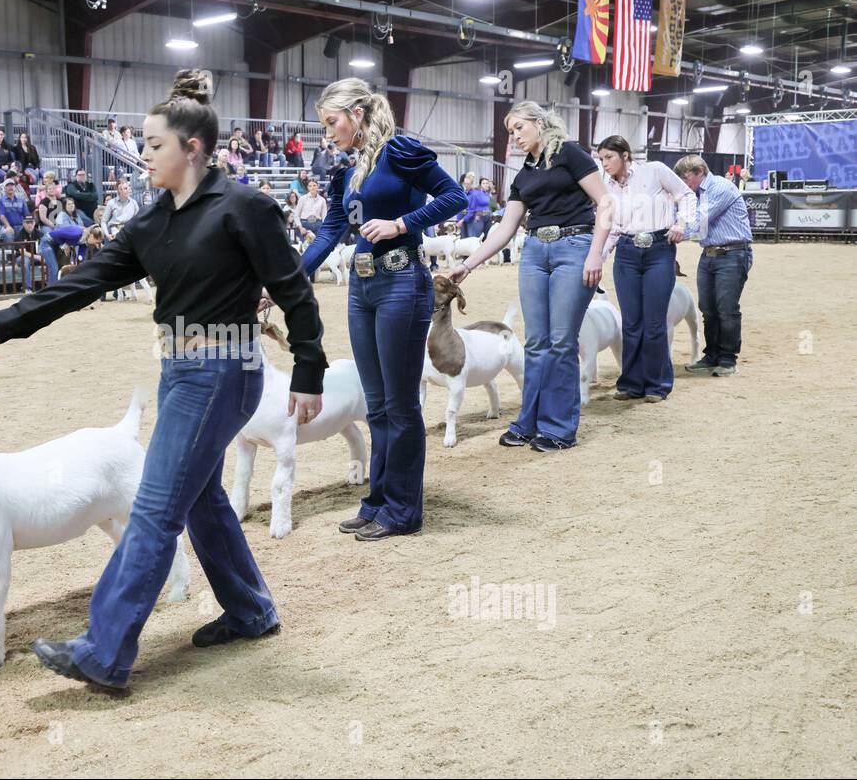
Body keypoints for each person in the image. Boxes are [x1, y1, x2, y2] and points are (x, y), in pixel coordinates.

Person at [0, 68, 329, 691]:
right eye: (144, 144)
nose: (143, 153)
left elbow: (294, 292)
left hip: (227, 372)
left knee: (153, 507)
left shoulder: (245, 208)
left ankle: (104, 650)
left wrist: (308, 370)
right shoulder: (151, 223)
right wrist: (3, 322)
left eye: (155, 145)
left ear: (194, 149)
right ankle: (251, 610)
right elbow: (85, 281)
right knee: (199, 497)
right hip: (178, 372)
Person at [293, 77, 466, 540]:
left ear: (357, 114)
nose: (328, 133)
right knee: (377, 405)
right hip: (362, 289)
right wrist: (288, 280)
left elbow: (454, 196)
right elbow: (332, 231)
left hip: (402, 282)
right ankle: (378, 501)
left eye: (331, 122)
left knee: (400, 402)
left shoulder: (401, 152)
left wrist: (400, 223)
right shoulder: (347, 171)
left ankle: (404, 509)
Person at [448, 100, 614, 451]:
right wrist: (469, 263)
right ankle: (529, 421)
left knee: (561, 342)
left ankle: (559, 428)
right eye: (510, 132)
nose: (515, 137)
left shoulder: (572, 154)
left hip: (575, 247)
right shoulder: (523, 175)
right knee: (536, 343)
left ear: (539, 122)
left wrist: (595, 253)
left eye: (519, 128)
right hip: (535, 252)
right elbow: (506, 228)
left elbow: (606, 203)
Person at [597, 136, 698, 401]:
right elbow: (611, 228)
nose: (604, 163)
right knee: (631, 323)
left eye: (609, 157)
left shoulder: (655, 171)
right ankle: (631, 383)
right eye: (601, 159)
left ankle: (657, 384)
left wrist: (681, 223)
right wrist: (599, 256)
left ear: (625, 155)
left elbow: (686, 195)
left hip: (659, 249)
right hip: (626, 253)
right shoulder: (606, 187)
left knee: (654, 322)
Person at [674, 154, 754, 377]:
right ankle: (711, 356)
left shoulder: (720, 187)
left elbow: (698, 221)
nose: (683, 183)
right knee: (708, 308)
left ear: (700, 171)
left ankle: (728, 359)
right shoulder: (693, 194)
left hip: (733, 253)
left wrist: (673, 232)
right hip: (709, 255)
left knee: (726, 309)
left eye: (686, 177)